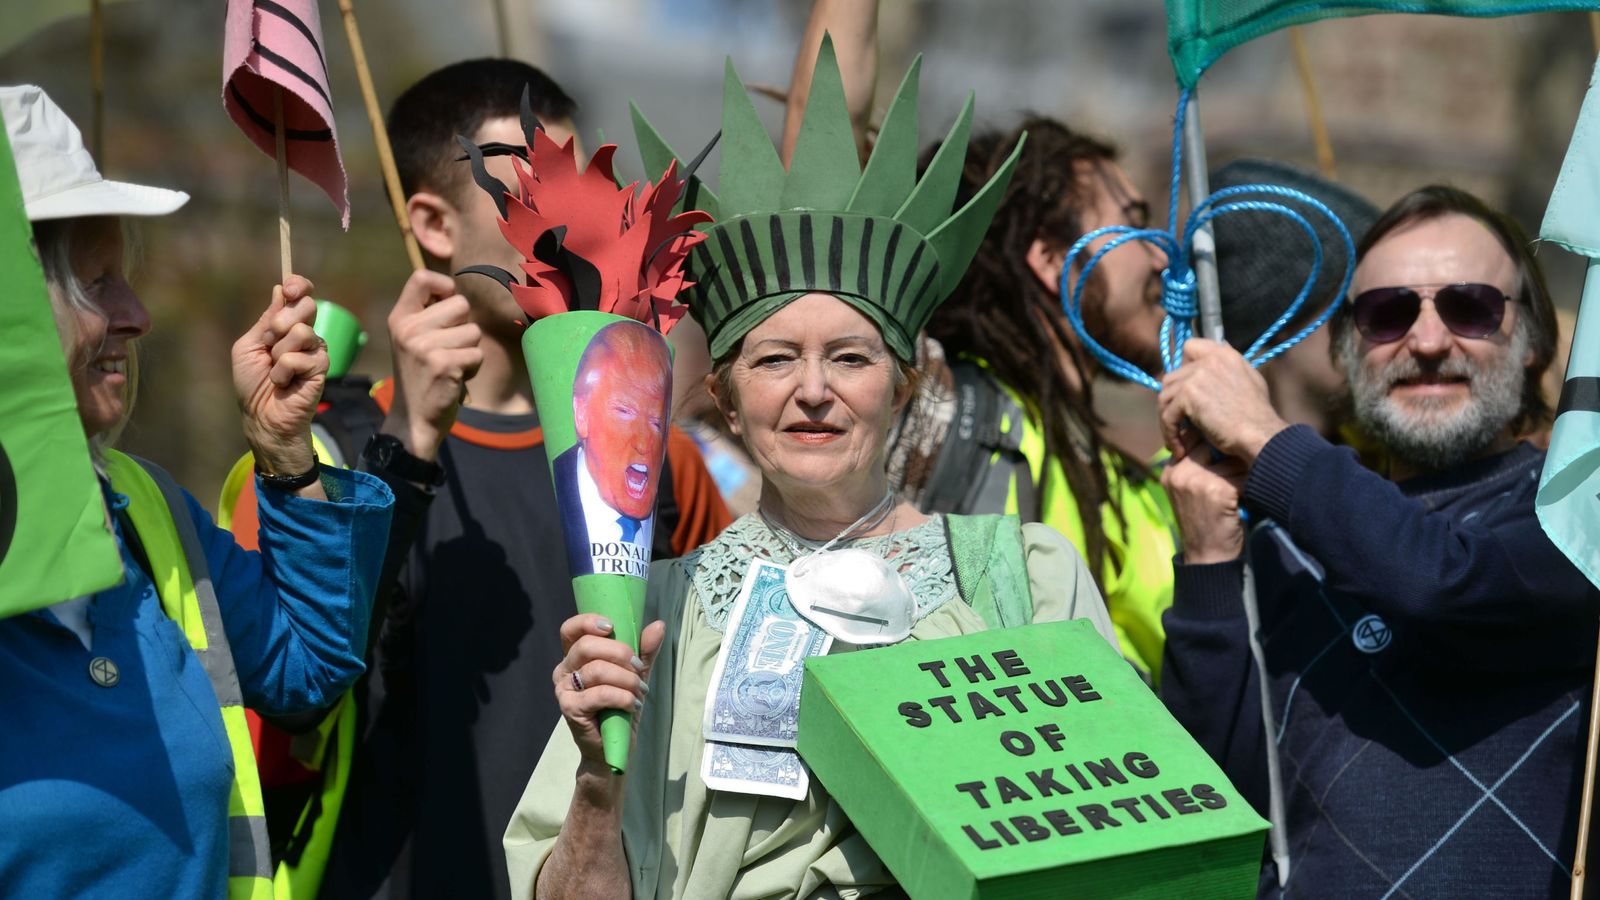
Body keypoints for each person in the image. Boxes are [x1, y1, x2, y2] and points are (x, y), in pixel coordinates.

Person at [505, 41, 1119, 899]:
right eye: (776, 360)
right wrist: (599, 784)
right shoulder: (659, 617)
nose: (814, 392)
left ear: (902, 386)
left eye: (851, 358)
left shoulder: (1027, 578)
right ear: (725, 400)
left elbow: (1120, 846)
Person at [300, 59, 732, 900]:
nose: (569, 224)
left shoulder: (659, 459)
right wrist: (408, 444)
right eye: (526, 189)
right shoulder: (322, 457)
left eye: (581, 188)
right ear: (430, 221)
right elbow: (297, 690)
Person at [0, 84, 392, 898]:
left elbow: (309, 670)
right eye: (98, 282)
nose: (138, 314)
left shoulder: (147, 510)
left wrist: (284, 448)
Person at [1158, 185, 1596, 897]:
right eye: (1386, 314)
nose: (1426, 341)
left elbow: (1440, 583)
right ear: (1345, 351)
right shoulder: (1283, 545)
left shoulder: (1574, 514)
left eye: (1471, 308)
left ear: (1533, 344)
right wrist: (1209, 562)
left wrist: (1270, 440)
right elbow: (1208, 813)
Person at [777, 0, 1178, 683]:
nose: (1163, 258)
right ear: (1054, 260)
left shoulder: (1154, 480)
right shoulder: (936, 406)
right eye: (1133, 222)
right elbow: (823, 171)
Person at [1209, 158, 1379, 441]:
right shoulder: (1184, 480)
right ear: (1280, 325)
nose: (1394, 332)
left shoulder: (1391, 470)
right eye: (1354, 308)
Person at [553, 321, 674, 576]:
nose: (644, 444)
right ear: (582, 413)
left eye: (656, 422)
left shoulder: (670, 480)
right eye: (624, 412)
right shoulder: (543, 489)